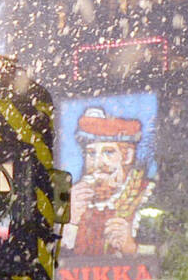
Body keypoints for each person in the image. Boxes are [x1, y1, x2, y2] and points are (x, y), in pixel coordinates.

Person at [62, 106, 154, 256]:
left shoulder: (148, 195)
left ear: (127, 156)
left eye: (108, 152)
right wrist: (70, 221)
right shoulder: (71, 198)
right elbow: (52, 259)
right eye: (91, 153)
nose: (98, 163)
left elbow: (172, 255)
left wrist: (131, 248)